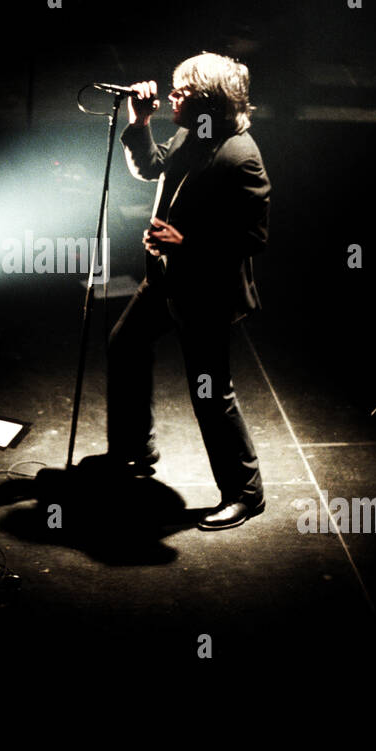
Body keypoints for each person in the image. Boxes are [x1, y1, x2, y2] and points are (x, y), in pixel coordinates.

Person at [103, 51, 271, 530]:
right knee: (125, 345)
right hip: (167, 279)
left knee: (210, 393)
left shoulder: (241, 156)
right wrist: (140, 124)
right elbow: (152, 167)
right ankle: (136, 450)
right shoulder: (191, 131)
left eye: (182, 92)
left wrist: (186, 241)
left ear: (210, 103)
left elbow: (253, 238)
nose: (171, 95)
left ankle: (246, 493)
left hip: (207, 294)